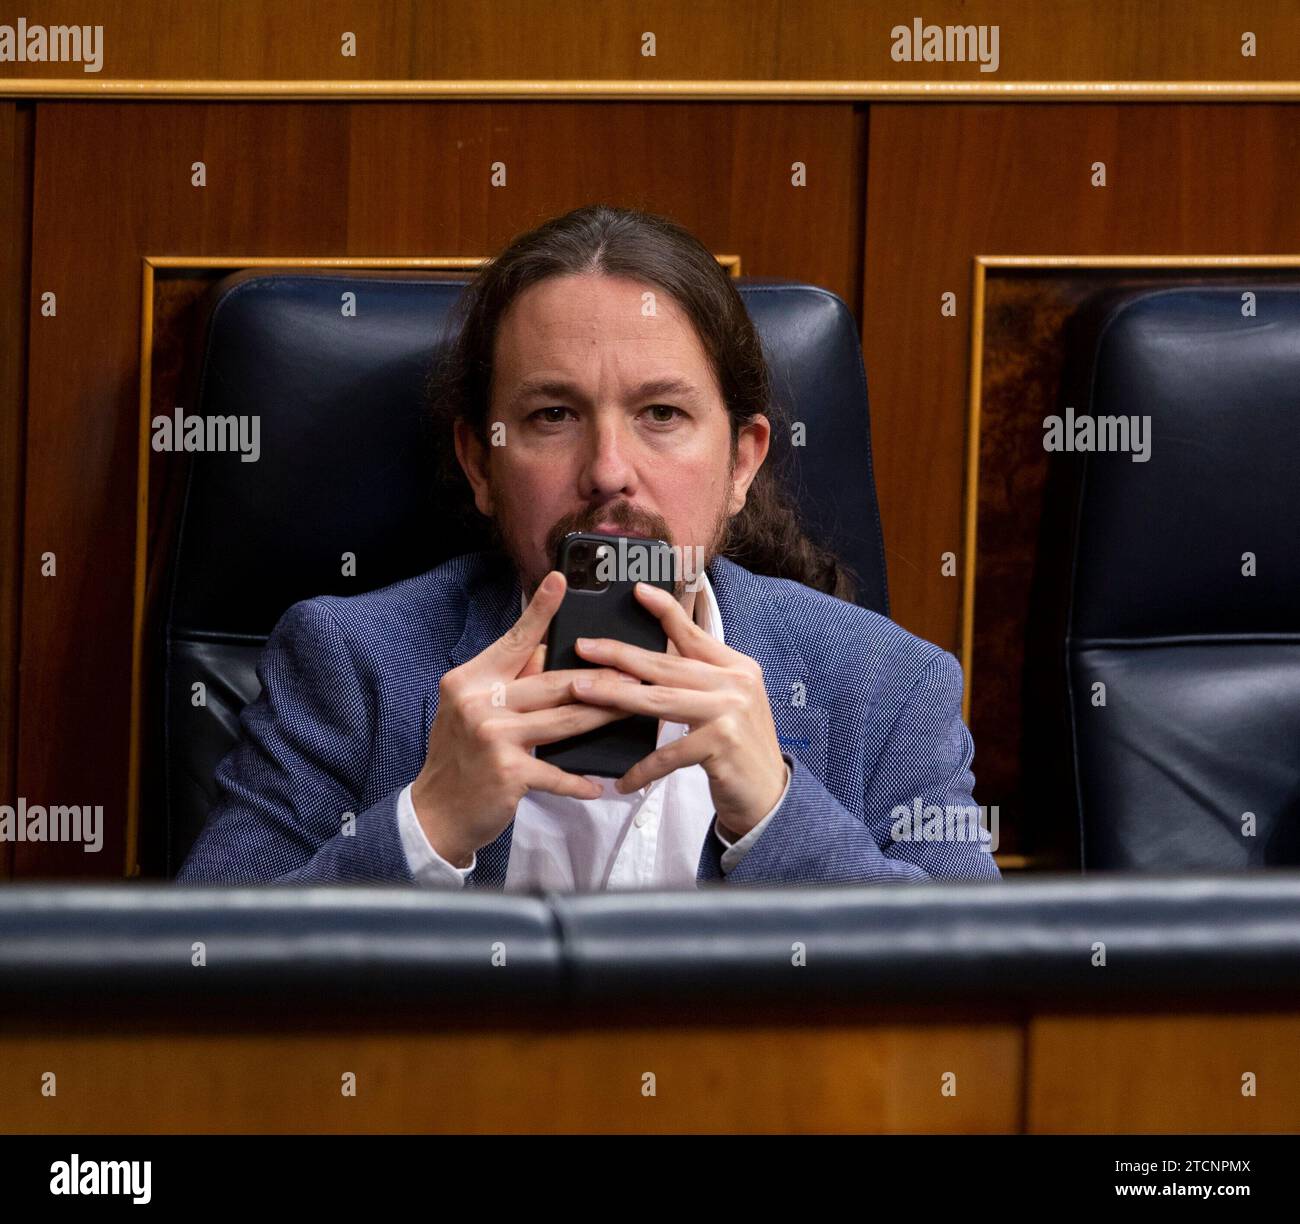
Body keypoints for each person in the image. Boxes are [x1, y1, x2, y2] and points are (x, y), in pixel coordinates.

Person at [177, 204, 1000, 890]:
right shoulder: (348, 667)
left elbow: (983, 998)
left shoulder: (889, 687)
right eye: (553, 417)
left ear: (742, 462)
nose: (610, 473)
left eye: (663, 416)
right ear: (481, 463)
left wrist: (780, 814)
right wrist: (425, 827)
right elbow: (197, 989)